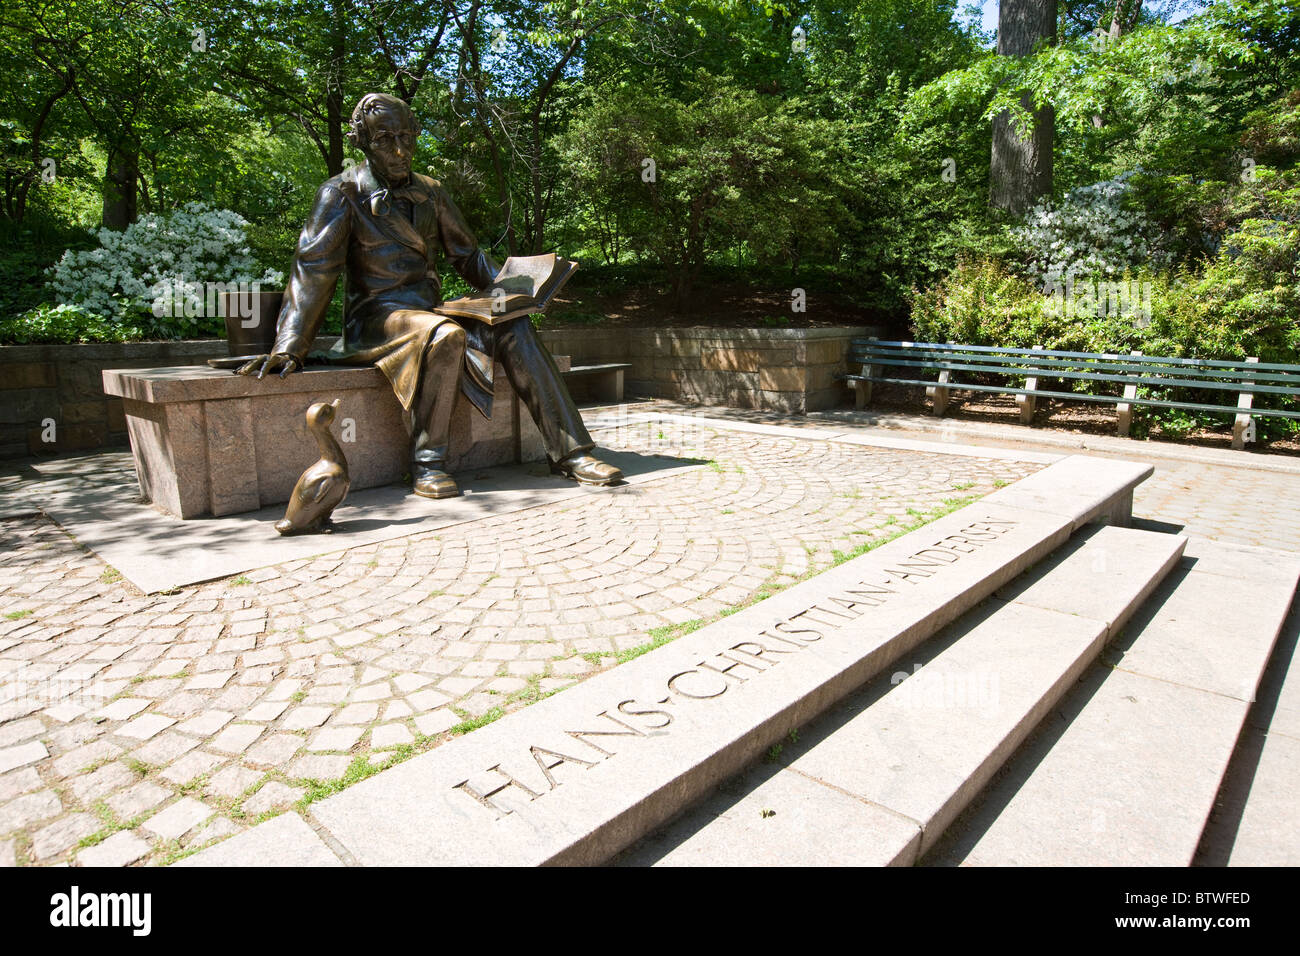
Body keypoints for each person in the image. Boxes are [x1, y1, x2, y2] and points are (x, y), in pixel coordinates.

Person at [237, 92, 622, 498]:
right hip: (375, 319)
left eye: (407, 137)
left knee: (515, 325)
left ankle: (571, 452)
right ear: (363, 142)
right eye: (385, 139)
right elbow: (314, 271)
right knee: (445, 335)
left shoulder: (432, 191)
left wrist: (516, 289)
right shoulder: (341, 193)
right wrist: (290, 345)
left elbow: (468, 255)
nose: (400, 150)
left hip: (427, 312)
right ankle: (427, 462)